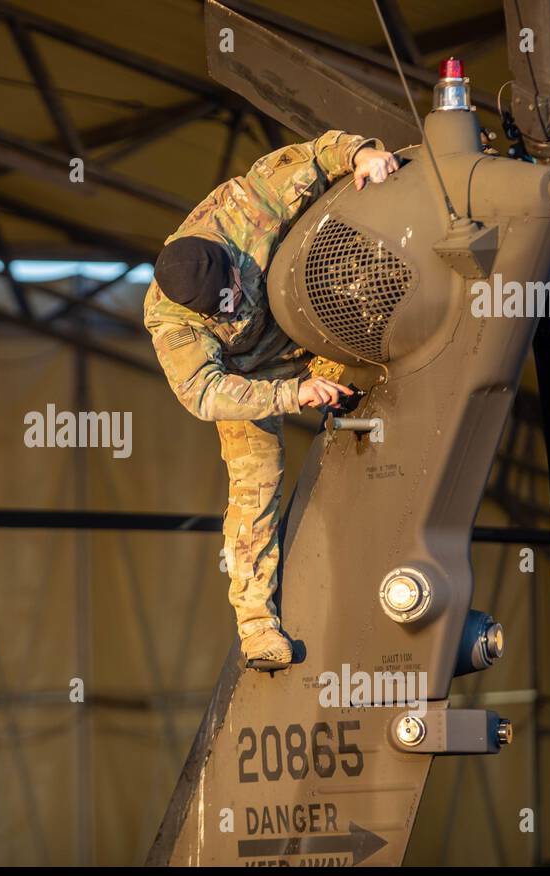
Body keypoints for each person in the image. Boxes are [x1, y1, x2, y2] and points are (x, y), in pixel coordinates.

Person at [144, 130, 400, 670]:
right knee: (254, 485)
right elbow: (205, 394)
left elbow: (314, 153)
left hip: (309, 326)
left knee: (384, 376)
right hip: (251, 379)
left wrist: (361, 155)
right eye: (223, 307)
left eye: (234, 289)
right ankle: (257, 627)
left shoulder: (245, 207)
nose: (233, 304)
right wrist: (291, 393)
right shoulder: (170, 321)